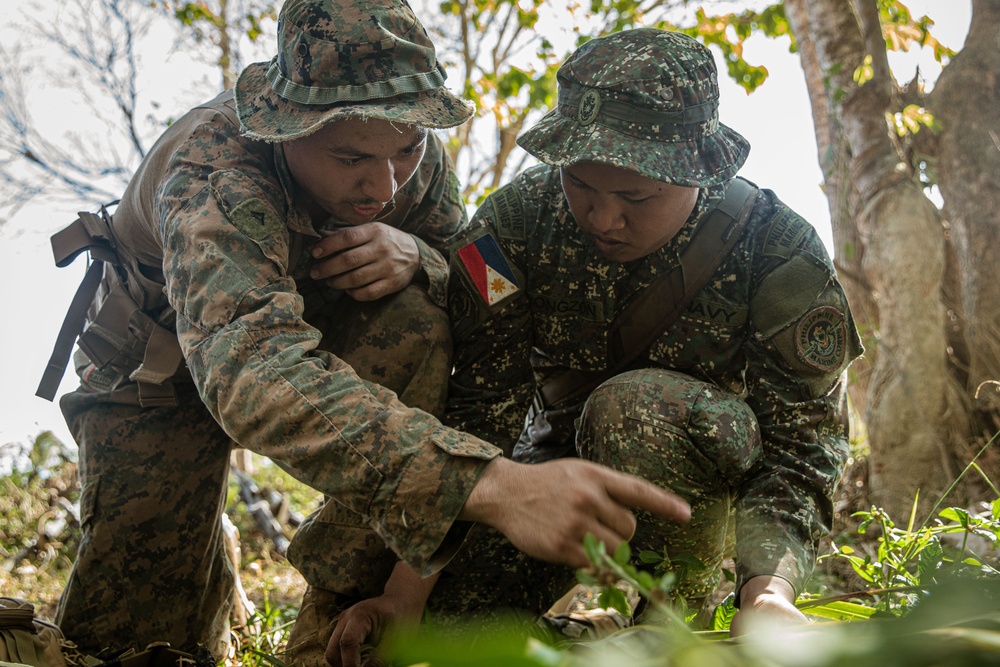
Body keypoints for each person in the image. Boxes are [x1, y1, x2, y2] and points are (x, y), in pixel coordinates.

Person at [37, 1, 690, 662]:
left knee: (416, 323)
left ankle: (336, 620)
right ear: (287, 129)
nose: (383, 184)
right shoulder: (218, 175)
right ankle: (200, 545)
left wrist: (427, 261)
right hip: (161, 368)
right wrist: (487, 485)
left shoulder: (410, 155)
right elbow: (251, 374)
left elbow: (482, 267)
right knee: (130, 646)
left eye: (405, 151)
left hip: (306, 336)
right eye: (351, 156)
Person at [287, 27, 864, 666]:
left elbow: (804, 448)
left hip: (711, 480)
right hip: (553, 475)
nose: (602, 218)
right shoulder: (502, 236)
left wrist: (768, 589)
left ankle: (680, 617)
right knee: (442, 636)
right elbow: (480, 411)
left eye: (635, 197)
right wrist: (407, 594)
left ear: (701, 171)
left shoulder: (781, 253)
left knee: (633, 403)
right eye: (581, 186)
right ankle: (588, 635)